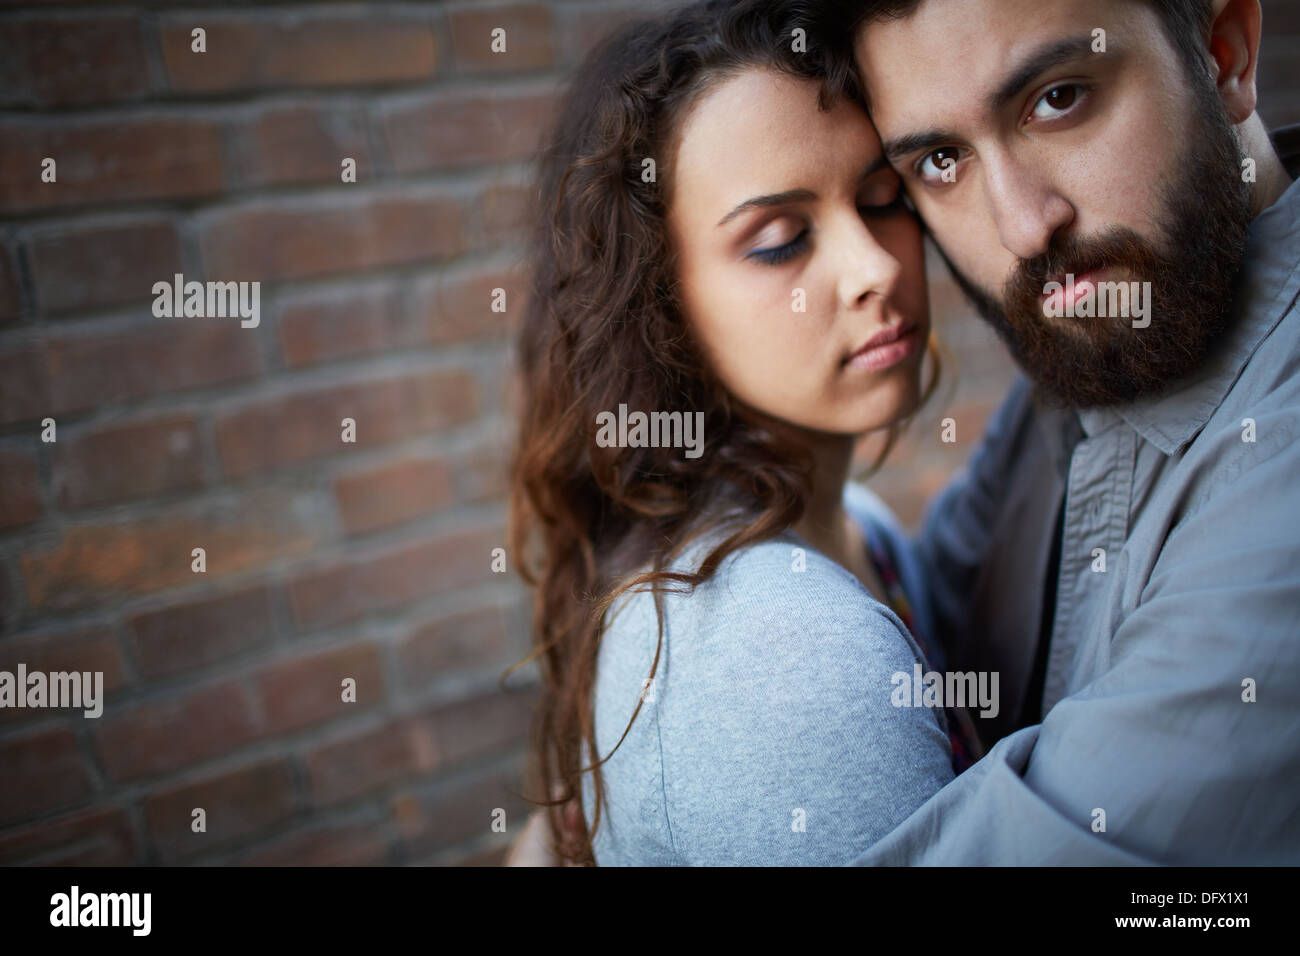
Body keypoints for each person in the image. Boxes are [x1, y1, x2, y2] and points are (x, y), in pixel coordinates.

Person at [788, 0, 1300, 863]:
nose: (1024, 228)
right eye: (943, 160)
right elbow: (932, 606)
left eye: (1059, 99)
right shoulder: (1089, 361)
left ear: (1225, 53)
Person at [505, 0, 982, 865]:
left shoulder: (857, 526)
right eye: (780, 241)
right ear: (662, 308)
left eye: (882, 199)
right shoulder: (775, 643)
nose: (875, 268)